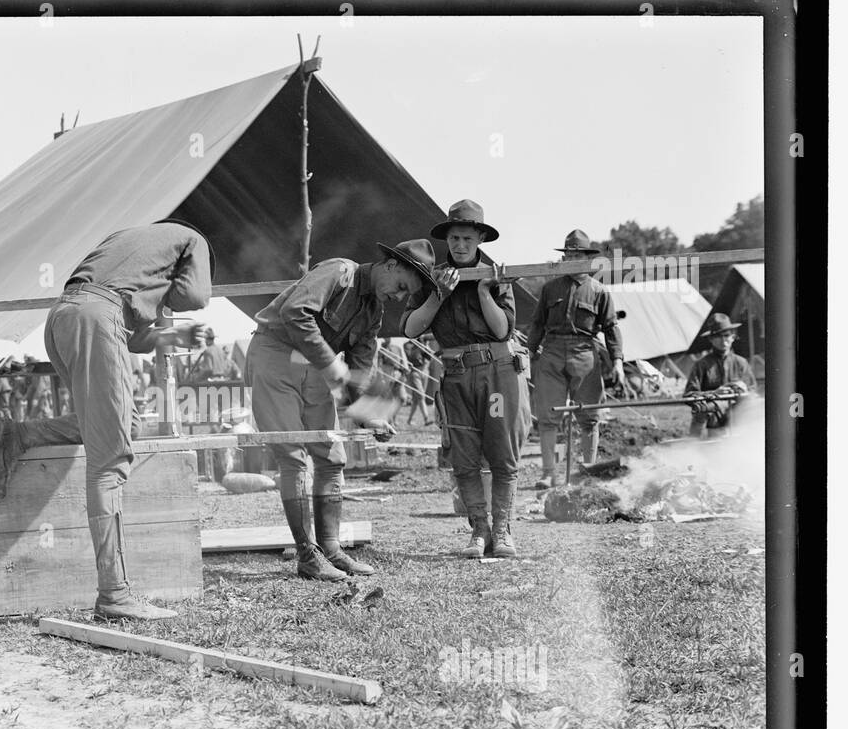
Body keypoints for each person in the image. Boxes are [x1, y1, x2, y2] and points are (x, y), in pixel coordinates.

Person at [0, 220, 213, 620]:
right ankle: (114, 595)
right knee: (109, 462)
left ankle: (18, 434)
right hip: (94, 320)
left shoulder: (127, 244)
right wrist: (176, 304)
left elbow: (125, 326)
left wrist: (170, 337)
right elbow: (196, 296)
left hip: (63, 319)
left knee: (127, 424)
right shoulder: (195, 239)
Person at [247, 238, 431, 581]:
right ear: (391, 266)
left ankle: (331, 550)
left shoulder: (373, 313)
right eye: (402, 287)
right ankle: (308, 556)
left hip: (317, 370)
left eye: (407, 295)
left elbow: (359, 372)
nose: (399, 297)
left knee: (332, 458)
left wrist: (370, 414)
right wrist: (331, 363)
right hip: (274, 356)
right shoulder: (339, 271)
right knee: (293, 457)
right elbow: (294, 313)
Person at [401, 200, 530, 558]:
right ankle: (479, 531)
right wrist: (439, 294)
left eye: (467, 239)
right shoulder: (433, 278)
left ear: (480, 240)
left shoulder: (495, 275)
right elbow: (411, 328)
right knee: (465, 459)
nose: (459, 245)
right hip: (456, 376)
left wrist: (486, 290)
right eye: (454, 238)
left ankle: (502, 531)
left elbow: (503, 329)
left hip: (497, 372)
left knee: (502, 456)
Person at [526, 229, 625, 485]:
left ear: (588, 258)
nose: (572, 259)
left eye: (578, 254)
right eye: (568, 255)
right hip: (552, 352)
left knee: (589, 417)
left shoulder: (600, 291)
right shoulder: (550, 289)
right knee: (548, 417)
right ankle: (549, 474)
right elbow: (537, 324)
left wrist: (617, 362)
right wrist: (528, 354)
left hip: (585, 354)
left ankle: (588, 473)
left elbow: (612, 328)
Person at [685, 313, 757, 437]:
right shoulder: (701, 365)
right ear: (711, 339)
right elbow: (689, 395)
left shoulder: (741, 363)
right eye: (718, 336)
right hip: (711, 424)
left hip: (738, 424)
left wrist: (743, 390)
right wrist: (715, 393)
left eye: (726, 335)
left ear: (733, 337)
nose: (723, 340)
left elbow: (753, 392)